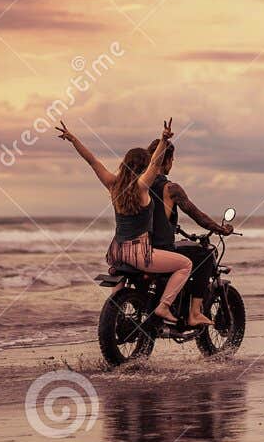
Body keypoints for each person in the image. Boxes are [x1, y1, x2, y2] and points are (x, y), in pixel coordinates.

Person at [57, 119, 212, 328]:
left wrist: (73, 139)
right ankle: (164, 306)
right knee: (186, 264)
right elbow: (156, 164)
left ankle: (118, 316)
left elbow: (92, 161)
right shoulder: (141, 187)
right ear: (143, 166)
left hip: (115, 252)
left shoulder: (112, 184)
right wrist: (164, 140)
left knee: (120, 286)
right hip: (139, 254)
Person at [144, 135, 233, 320]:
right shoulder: (170, 188)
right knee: (206, 254)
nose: (172, 164)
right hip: (160, 249)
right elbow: (197, 215)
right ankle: (194, 312)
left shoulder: (137, 186)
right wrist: (220, 228)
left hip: (138, 249)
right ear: (166, 159)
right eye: (172, 160)